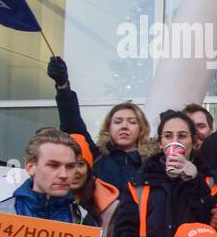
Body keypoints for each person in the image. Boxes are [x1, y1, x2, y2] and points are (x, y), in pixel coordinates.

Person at [49, 55, 151, 191]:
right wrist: (63, 87)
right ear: (108, 128)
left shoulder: (153, 164)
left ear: (141, 129)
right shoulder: (97, 158)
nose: (124, 126)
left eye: (132, 122)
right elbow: (72, 124)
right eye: (118, 121)